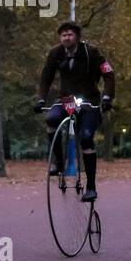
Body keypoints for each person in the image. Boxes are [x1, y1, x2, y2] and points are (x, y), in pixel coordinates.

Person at [34, 20, 115, 202]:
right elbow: (46, 77)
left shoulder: (91, 52)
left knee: (86, 138)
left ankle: (91, 187)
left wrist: (107, 98)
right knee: (51, 120)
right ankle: (59, 163)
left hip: (89, 101)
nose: (66, 38)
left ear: (77, 37)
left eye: (70, 34)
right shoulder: (55, 53)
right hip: (66, 100)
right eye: (63, 35)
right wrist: (41, 99)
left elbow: (108, 75)